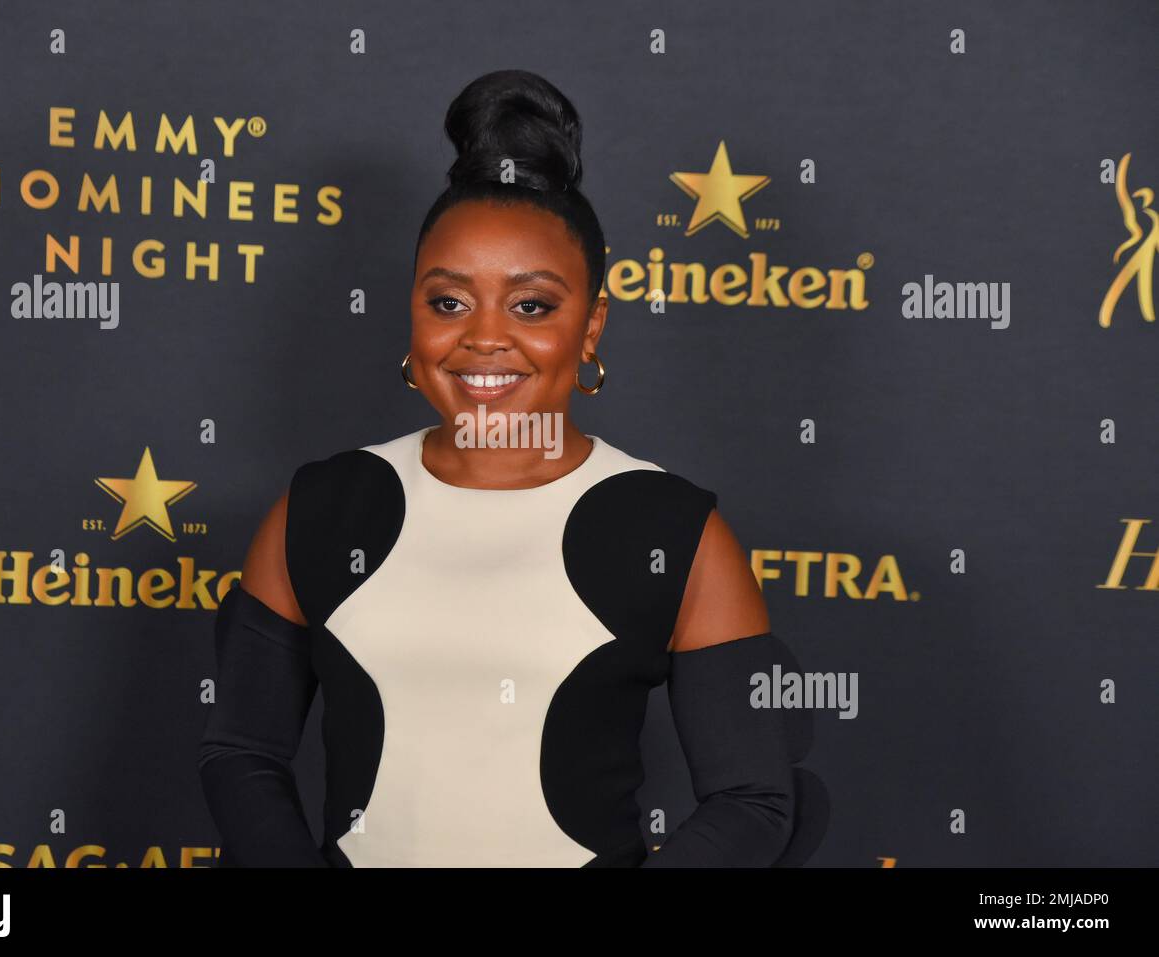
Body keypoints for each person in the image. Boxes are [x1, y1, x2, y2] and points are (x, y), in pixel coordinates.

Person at [198, 69, 812, 867]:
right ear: (411, 312)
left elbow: (752, 800)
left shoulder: (676, 531)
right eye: (448, 302)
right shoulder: (317, 510)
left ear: (591, 325)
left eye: (532, 305)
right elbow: (241, 751)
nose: (485, 338)